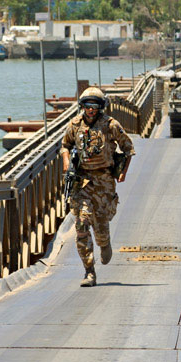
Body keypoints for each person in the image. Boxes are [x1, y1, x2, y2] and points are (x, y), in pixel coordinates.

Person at [61, 87, 134, 287]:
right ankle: (89, 272)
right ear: (82, 107)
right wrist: (66, 162)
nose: (90, 110)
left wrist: (123, 172)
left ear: (100, 107)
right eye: (87, 106)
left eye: (94, 107)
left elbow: (128, 148)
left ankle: (104, 243)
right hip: (82, 181)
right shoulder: (74, 125)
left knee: (101, 223)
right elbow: (65, 145)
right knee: (82, 224)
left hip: (104, 181)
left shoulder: (110, 125)